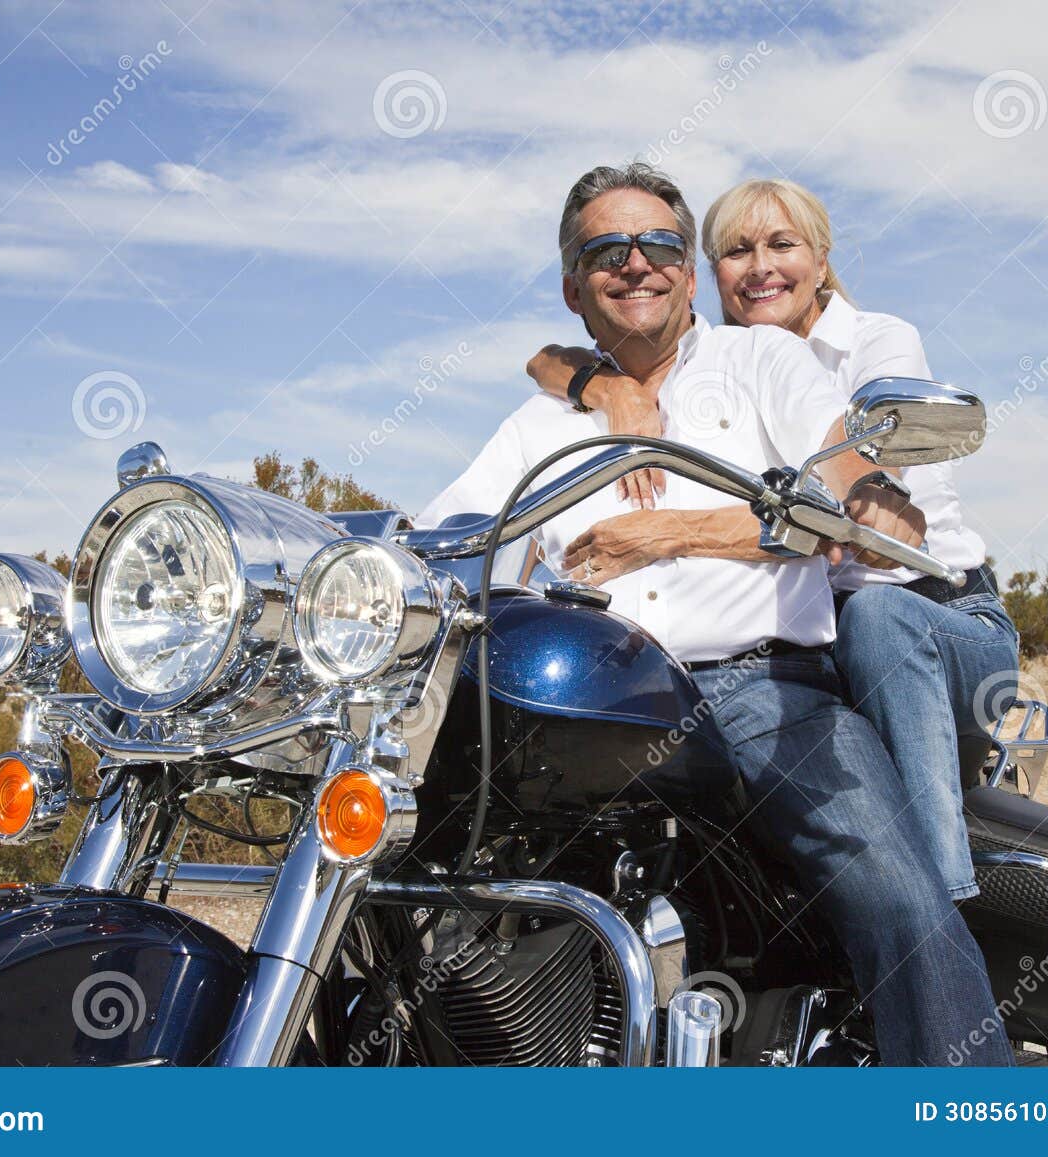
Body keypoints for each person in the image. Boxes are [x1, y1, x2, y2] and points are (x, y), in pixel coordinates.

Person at [416, 162, 1010, 1065]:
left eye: (657, 243)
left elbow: (834, 461)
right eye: (604, 250)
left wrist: (873, 494)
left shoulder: (762, 358)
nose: (634, 262)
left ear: (686, 274)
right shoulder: (541, 421)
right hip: (593, 701)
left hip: (759, 687)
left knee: (896, 896)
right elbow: (447, 531)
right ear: (573, 286)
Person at [524, 177, 1019, 904]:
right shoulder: (715, 367)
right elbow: (546, 357)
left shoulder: (876, 343)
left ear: (821, 258)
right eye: (736, 250)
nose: (760, 267)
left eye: (782, 245)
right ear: (707, 275)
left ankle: (939, 900)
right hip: (829, 633)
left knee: (881, 621)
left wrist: (665, 534)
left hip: (935, 613)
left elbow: (845, 505)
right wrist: (607, 387)